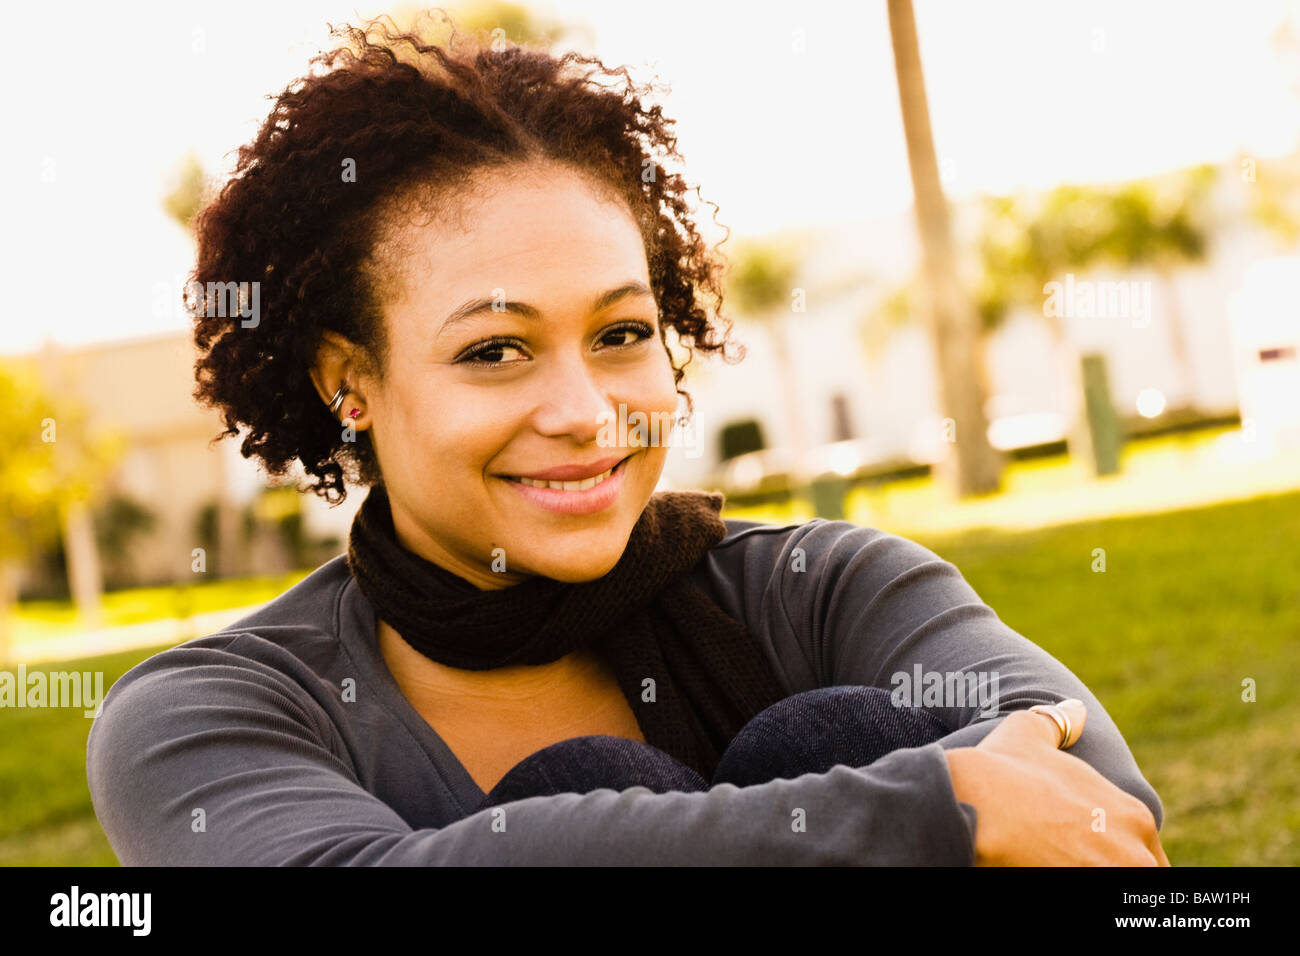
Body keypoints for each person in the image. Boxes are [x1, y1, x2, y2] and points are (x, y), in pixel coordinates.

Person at [85, 14, 1169, 866]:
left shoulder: (826, 588)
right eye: (496, 350)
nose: (587, 410)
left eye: (618, 333)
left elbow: (1101, 812)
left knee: (817, 738)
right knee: (585, 781)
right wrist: (933, 811)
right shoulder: (207, 713)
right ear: (348, 381)